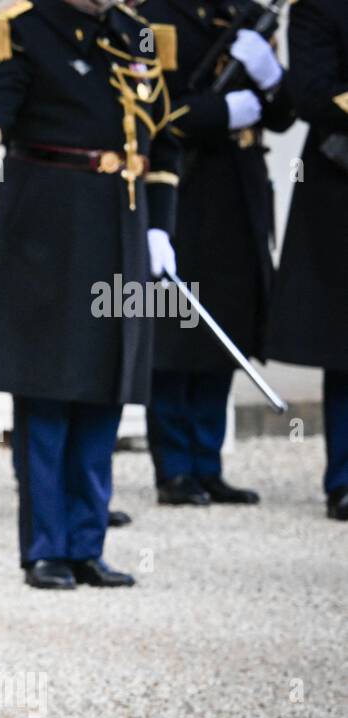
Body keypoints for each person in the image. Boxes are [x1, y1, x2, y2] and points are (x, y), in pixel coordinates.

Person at [0, 0, 182, 589]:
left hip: (119, 221)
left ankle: (87, 542)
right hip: (45, 222)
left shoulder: (137, 35)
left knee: (105, 383)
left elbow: (162, 139)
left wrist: (159, 226)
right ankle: (46, 547)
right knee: (46, 387)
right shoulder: (22, 27)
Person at [139, 0, 293, 507]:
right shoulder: (157, 16)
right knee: (178, 330)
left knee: (224, 322)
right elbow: (155, 115)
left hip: (238, 188)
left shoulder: (246, 16)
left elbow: (284, 112)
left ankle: (209, 462)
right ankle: (176, 467)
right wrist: (220, 111)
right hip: (185, 188)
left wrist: (272, 80)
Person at [266, 0, 348, 522]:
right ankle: (345, 478)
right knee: (345, 349)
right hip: (340, 186)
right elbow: (314, 93)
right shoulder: (320, 7)